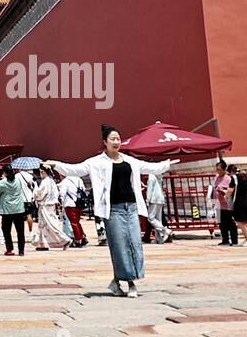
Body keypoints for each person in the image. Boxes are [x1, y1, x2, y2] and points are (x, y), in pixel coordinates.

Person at [51, 125, 175, 298]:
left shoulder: (130, 161)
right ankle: (130, 283)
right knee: (119, 247)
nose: (116, 142)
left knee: (135, 244)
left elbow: (150, 168)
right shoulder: (96, 162)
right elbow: (75, 170)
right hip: (113, 210)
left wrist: (167, 164)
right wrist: (56, 165)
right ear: (105, 142)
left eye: (118, 139)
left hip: (131, 207)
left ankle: (119, 281)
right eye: (113, 139)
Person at [33, 167, 70, 250]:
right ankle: (43, 244)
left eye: (41, 172)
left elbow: (40, 193)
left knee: (51, 224)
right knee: (43, 225)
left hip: (46, 205)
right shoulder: (51, 181)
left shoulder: (45, 181)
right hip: (50, 205)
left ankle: (65, 239)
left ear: (44, 172)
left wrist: (35, 188)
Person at [0, 167, 27, 256]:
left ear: (5, 173)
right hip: (18, 208)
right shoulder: (18, 180)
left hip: (7, 210)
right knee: (20, 231)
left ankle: (9, 249)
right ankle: (21, 251)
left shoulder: (3, 183)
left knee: (6, 230)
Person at [210, 159, 237, 247]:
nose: (218, 171)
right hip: (218, 203)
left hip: (227, 204)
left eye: (219, 169)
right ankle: (225, 239)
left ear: (224, 169)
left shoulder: (229, 178)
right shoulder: (216, 177)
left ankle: (234, 240)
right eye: (217, 169)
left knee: (230, 222)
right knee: (221, 223)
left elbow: (231, 190)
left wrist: (222, 190)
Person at [229, 164, 247, 245]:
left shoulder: (233, 178)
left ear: (231, 172)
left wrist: (225, 197)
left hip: (239, 202)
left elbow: (230, 190)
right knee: (243, 221)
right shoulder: (243, 177)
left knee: (239, 221)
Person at [59, 171, 87, 247]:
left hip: (69, 204)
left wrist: (60, 202)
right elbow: (83, 189)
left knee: (74, 223)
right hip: (79, 203)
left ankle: (78, 240)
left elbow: (62, 193)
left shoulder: (65, 181)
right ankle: (82, 237)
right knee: (77, 221)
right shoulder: (79, 179)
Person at [145, 166, 172, 245]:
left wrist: (148, 199)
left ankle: (165, 230)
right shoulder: (159, 176)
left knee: (150, 218)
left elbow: (150, 189)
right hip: (160, 199)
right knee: (158, 220)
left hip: (154, 199)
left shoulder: (151, 176)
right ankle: (159, 239)